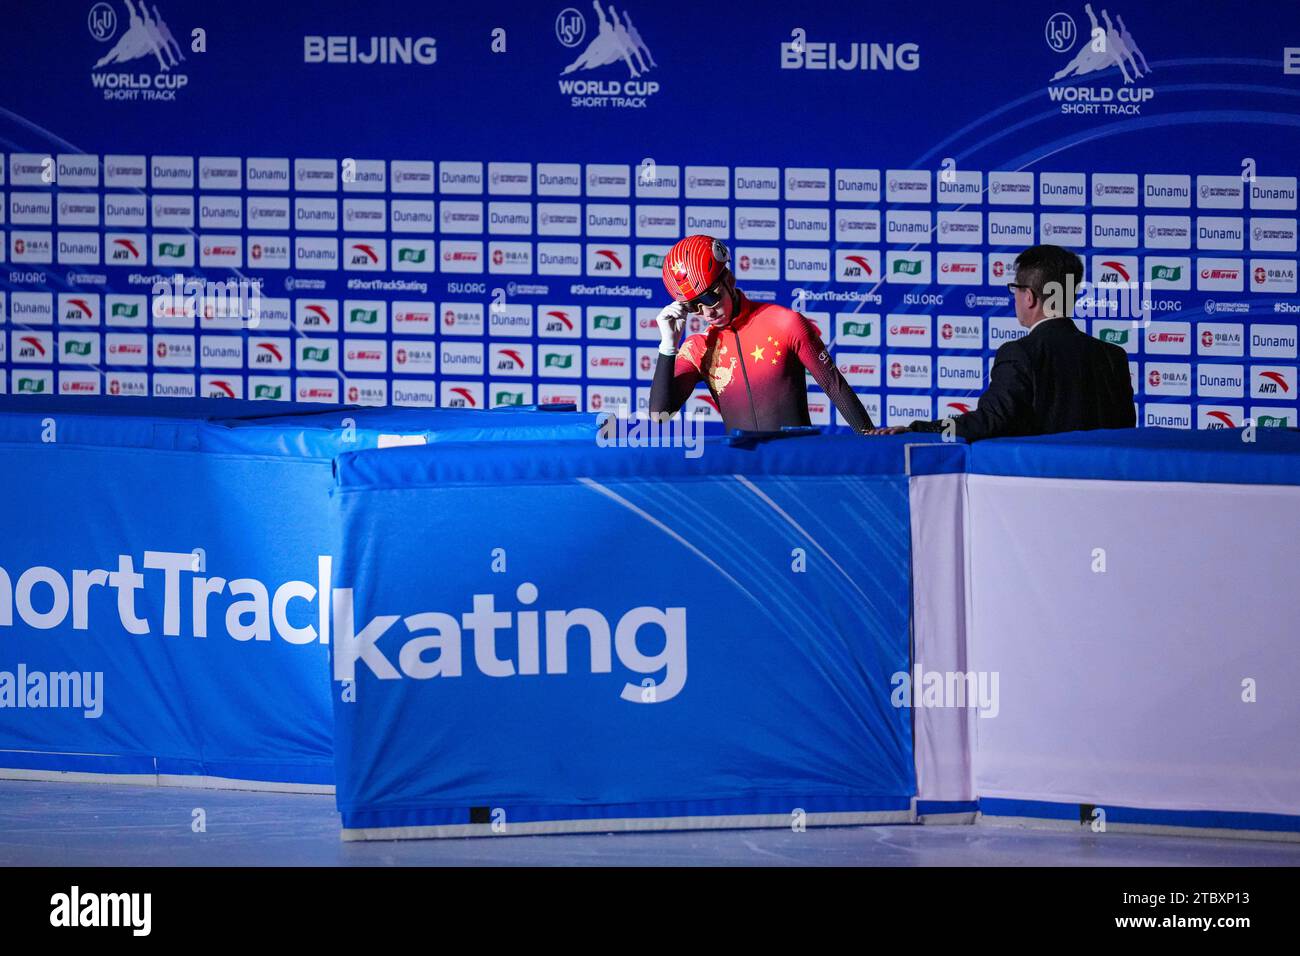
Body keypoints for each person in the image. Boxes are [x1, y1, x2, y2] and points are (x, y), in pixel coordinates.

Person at [873, 244, 1135, 441]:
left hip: (1041, 492)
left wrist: (917, 429)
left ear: (1029, 296)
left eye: (1015, 289)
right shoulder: (1113, 356)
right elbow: (1126, 433)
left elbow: (989, 422)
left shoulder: (1020, 353)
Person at [650, 234, 875, 433]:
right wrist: (668, 345)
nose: (706, 311)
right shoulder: (699, 348)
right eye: (693, 305)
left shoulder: (785, 323)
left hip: (797, 471)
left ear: (729, 280)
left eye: (710, 297)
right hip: (746, 476)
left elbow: (834, 386)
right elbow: (659, 416)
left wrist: (870, 443)